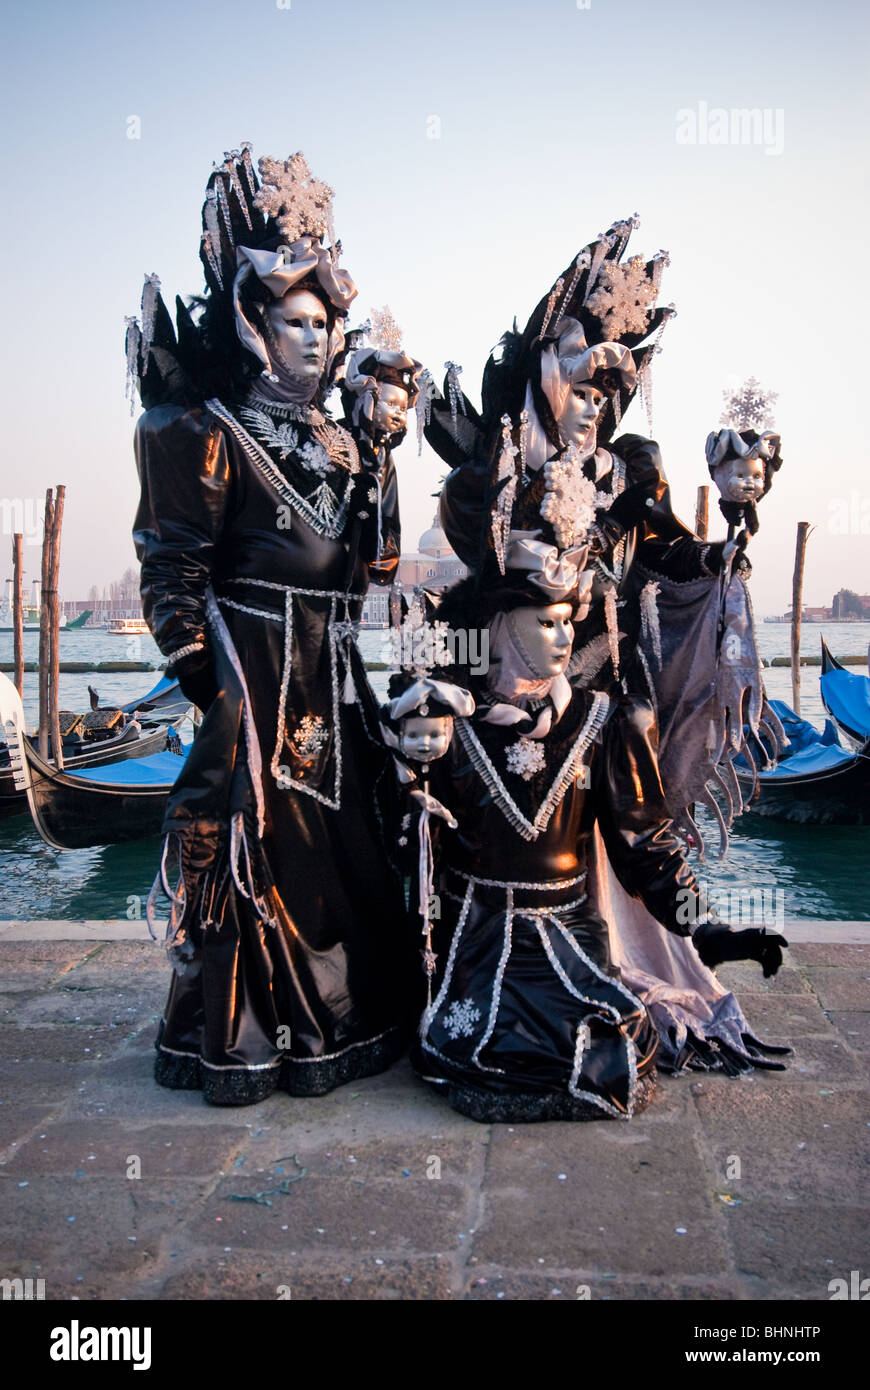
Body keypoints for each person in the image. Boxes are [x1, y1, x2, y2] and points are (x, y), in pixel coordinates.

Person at [129, 147, 414, 1105]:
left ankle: (349, 1022)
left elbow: (373, 566)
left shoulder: (342, 438)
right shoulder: (201, 428)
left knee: (352, 853)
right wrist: (216, 694)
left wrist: (381, 455)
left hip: (331, 675)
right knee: (267, 858)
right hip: (255, 680)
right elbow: (172, 566)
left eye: (327, 326)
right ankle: (254, 1036)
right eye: (294, 321)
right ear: (252, 320)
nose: (316, 342)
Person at [406, 537, 788, 1122]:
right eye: (547, 624)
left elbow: (647, 848)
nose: (564, 640)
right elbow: (420, 846)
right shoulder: (451, 726)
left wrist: (705, 929)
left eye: (568, 623)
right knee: (485, 1040)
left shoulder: (608, 720)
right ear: (503, 627)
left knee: (607, 1035)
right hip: (478, 937)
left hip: (570, 932)